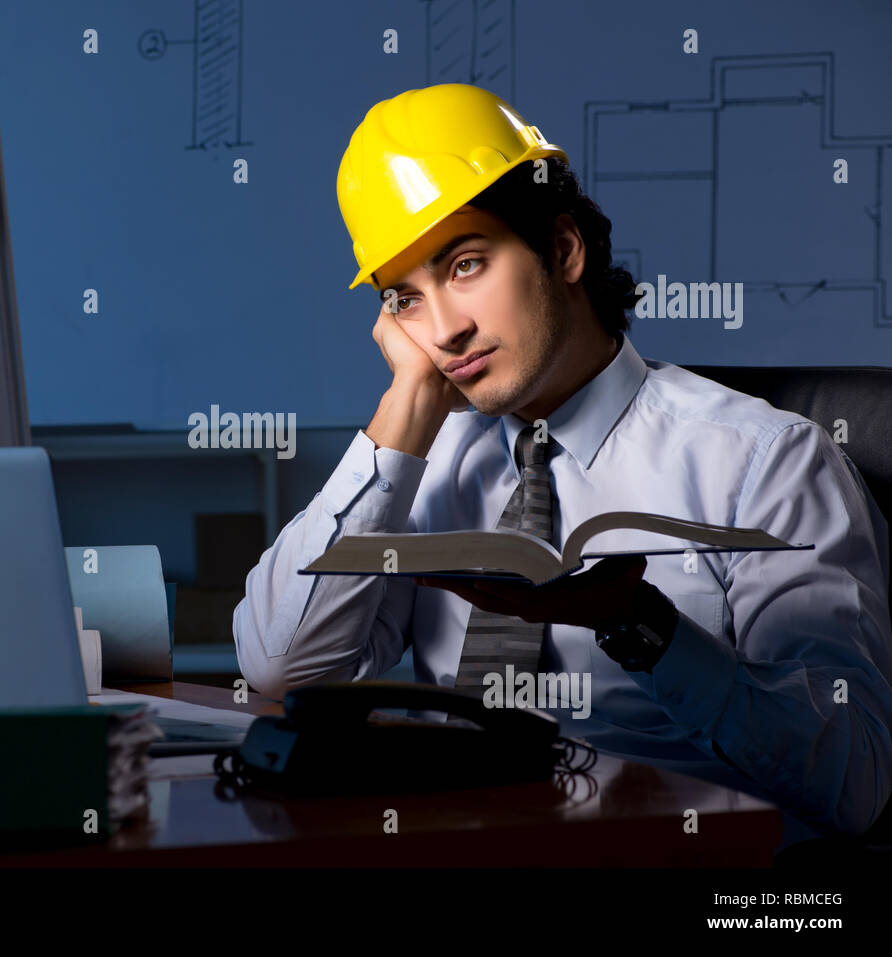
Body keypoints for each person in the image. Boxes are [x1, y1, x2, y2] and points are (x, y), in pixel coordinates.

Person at [231, 83, 892, 847]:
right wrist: (403, 414)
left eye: (466, 264)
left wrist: (639, 625)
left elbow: (857, 781)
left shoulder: (764, 462)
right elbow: (283, 671)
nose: (445, 330)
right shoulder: (423, 466)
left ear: (564, 249)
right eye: (404, 298)